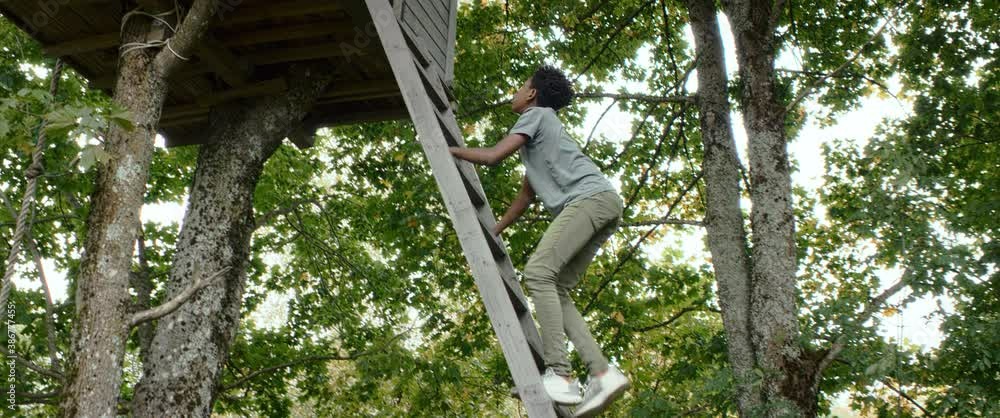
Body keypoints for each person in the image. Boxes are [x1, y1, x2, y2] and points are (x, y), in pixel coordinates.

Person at [449, 65, 629, 417]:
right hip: (604, 203)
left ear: (531, 94)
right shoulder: (542, 140)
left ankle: (560, 374)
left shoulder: (536, 115)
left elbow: (491, 156)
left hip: (589, 200)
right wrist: (494, 230)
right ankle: (602, 372)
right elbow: (525, 196)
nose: (515, 93)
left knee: (538, 273)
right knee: (555, 287)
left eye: (520, 86)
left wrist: (445, 149)